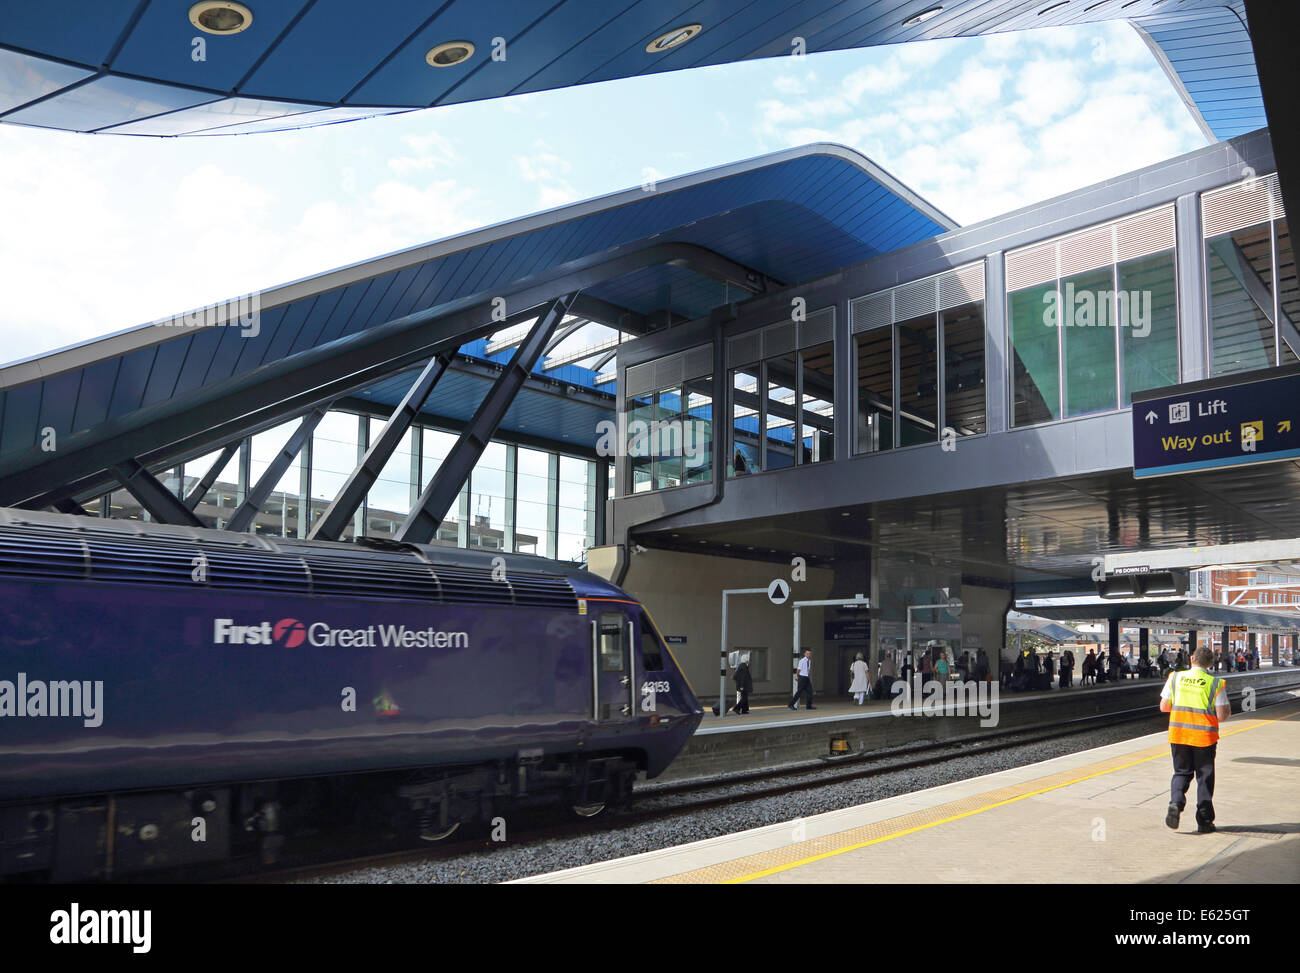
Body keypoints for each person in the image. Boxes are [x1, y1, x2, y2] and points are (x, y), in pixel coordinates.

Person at [1160, 646, 1229, 833]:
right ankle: (1204, 821)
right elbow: (1222, 715)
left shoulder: (1174, 678)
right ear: (1211, 663)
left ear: (1192, 659)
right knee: (1204, 777)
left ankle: (1175, 803)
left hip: (1179, 735)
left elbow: (1164, 707)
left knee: (1181, 773)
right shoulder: (1214, 683)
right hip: (1204, 738)